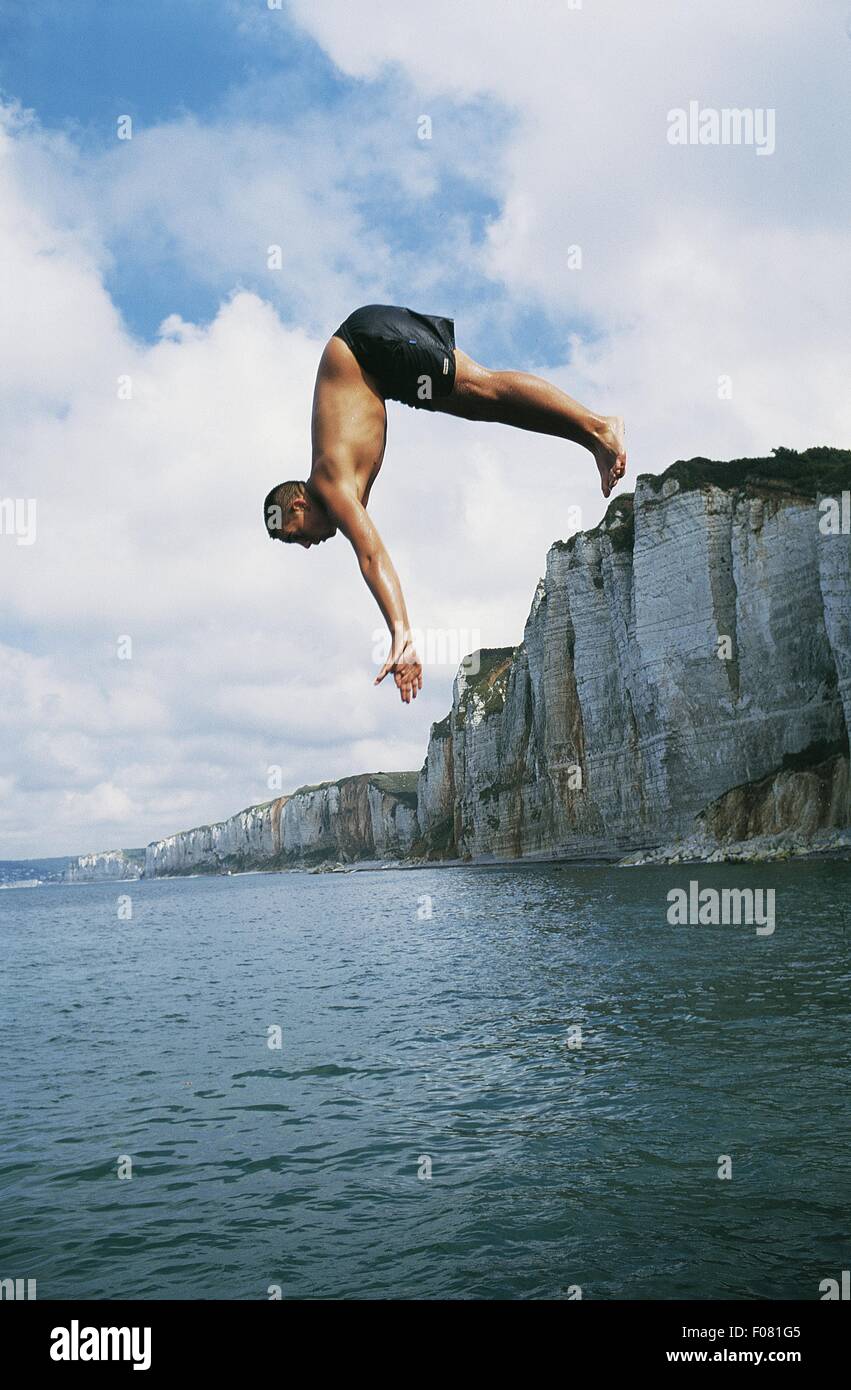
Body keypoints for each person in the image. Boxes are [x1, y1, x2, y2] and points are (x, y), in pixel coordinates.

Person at [263, 304, 626, 704]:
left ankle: (599, 427)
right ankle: (593, 437)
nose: (308, 545)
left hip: (367, 345)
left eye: (297, 537)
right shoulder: (334, 480)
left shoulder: (330, 485)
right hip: (374, 361)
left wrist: (400, 632)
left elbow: (370, 556)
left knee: (483, 390)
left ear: (299, 504)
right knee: (480, 404)